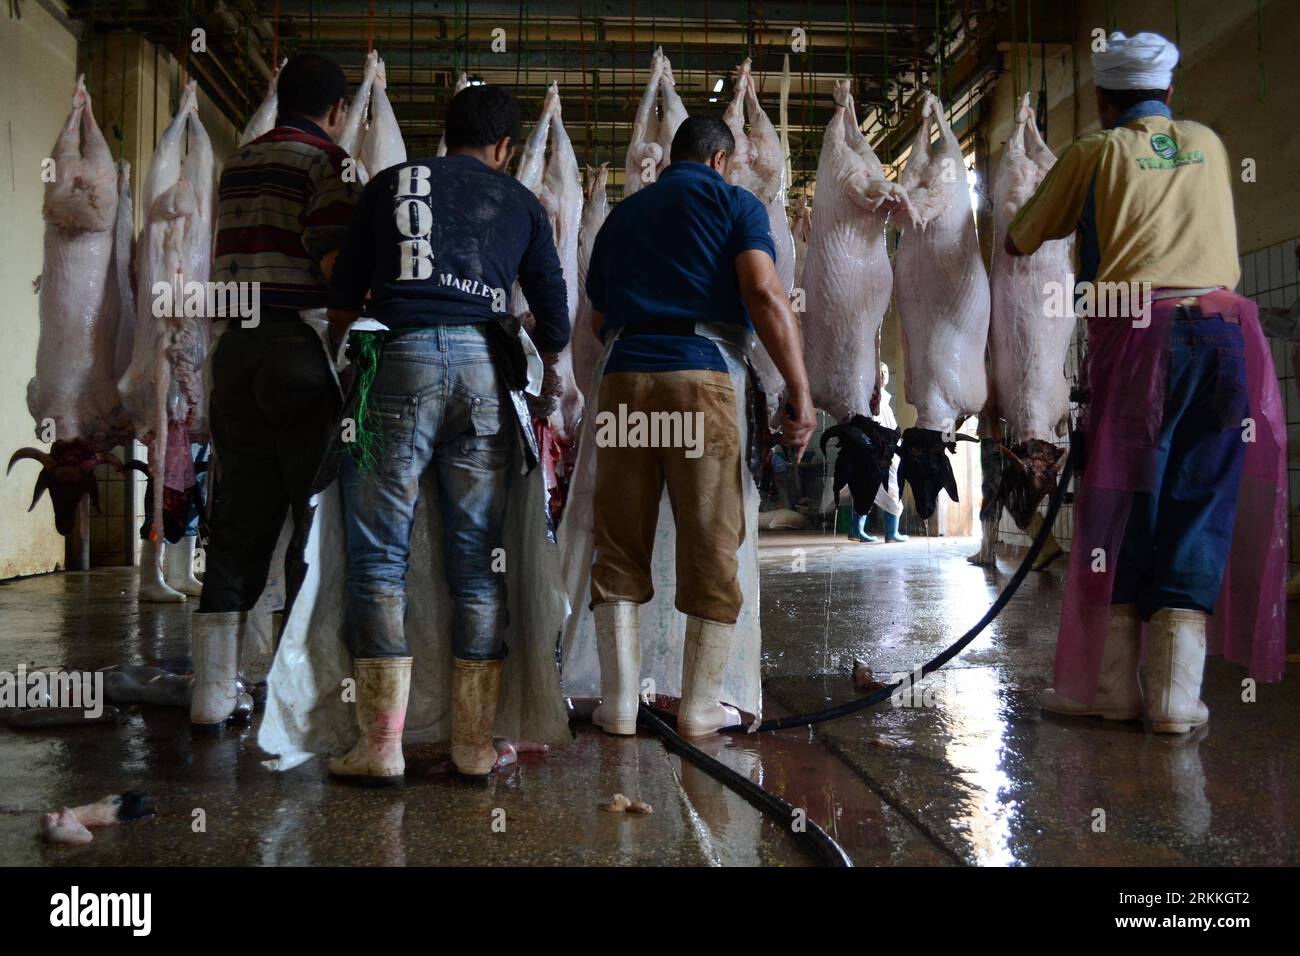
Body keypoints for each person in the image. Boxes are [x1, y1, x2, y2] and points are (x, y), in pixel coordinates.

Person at [1007, 32, 1286, 733]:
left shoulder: (1095, 151)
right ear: (1169, 95)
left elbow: (1020, 236)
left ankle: (1110, 689)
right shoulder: (1210, 145)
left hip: (1140, 336)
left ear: (1102, 100)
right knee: (1201, 499)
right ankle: (1172, 698)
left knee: (1122, 500)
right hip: (1226, 336)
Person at [321, 84, 570, 783]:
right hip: (486, 374)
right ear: (505, 149)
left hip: (396, 359)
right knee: (478, 566)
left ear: (443, 131)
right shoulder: (520, 202)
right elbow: (554, 317)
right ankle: (471, 745)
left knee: (378, 563)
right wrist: (535, 359)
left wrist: (363, 362)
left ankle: (381, 746)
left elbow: (343, 304)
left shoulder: (388, 185)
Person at [577, 116, 816, 738]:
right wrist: (798, 388)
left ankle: (622, 706)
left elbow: (598, 315)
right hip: (698, 380)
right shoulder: (736, 204)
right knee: (712, 545)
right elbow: (764, 295)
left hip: (623, 380)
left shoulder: (622, 216)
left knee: (620, 542)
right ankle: (701, 706)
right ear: (720, 160)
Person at [192, 53, 361, 732]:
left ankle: (210, 696)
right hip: (298, 348)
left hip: (235, 354)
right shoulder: (330, 165)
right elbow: (333, 265)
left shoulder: (239, 161)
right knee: (311, 526)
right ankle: (300, 695)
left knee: (238, 521)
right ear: (338, 111)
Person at [847, 363, 908, 543]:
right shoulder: (869, 400)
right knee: (877, 489)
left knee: (878, 490)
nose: (883, 375)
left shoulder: (884, 401)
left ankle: (862, 531)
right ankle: (888, 533)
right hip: (878, 454)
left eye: (886, 372)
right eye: (879, 372)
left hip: (888, 454)